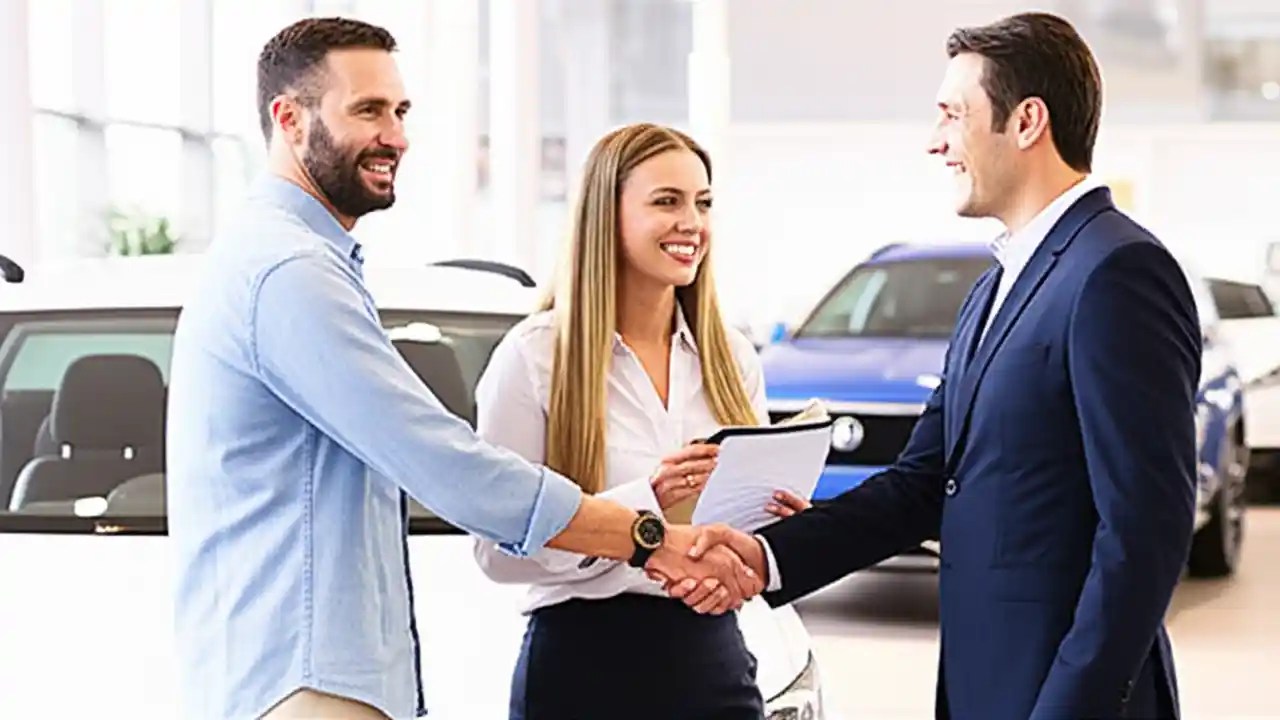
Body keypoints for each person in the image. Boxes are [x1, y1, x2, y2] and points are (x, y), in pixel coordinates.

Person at [165, 18, 759, 720]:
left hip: (320, 671)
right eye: (367, 110)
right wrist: (643, 531)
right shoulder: (290, 273)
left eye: (400, 110)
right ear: (289, 119)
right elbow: (443, 462)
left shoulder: (300, 261)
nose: (395, 135)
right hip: (303, 678)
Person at [684, 12, 1200, 720]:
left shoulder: (1116, 272)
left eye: (953, 115)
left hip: (1065, 696)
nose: (936, 142)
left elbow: (1145, 533)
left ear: (1027, 122)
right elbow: (925, 482)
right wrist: (766, 555)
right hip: (987, 686)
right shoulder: (994, 285)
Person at [470, 122, 810, 720]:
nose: (693, 223)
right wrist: (642, 505)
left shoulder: (730, 358)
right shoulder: (534, 356)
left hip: (714, 660)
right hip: (581, 668)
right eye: (667, 201)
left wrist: (773, 529)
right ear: (608, 214)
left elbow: (743, 537)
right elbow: (496, 553)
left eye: (703, 203)